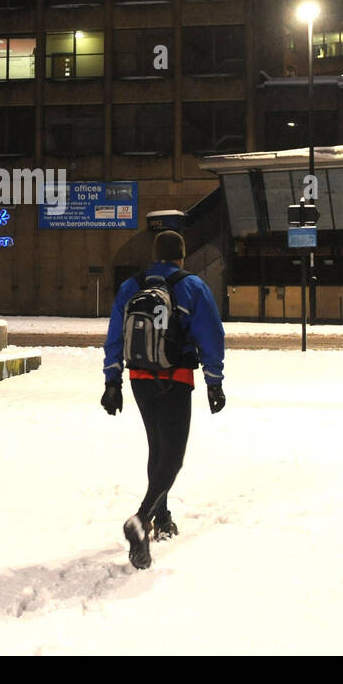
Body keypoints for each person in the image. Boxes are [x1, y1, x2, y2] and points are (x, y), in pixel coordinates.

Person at [102, 230, 226, 570]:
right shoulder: (192, 286)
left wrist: (112, 381)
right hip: (175, 378)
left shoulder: (131, 286)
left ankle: (163, 515)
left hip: (139, 378)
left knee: (157, 447)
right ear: (182, 256)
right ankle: (142, 519)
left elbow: (114, 334)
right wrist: (214, 382)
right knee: (172, 456)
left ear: (155, 255)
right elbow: (211, 336)